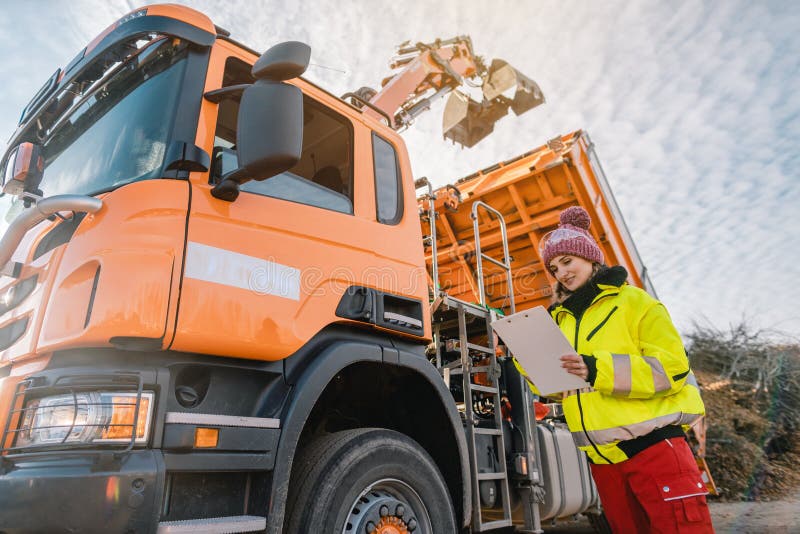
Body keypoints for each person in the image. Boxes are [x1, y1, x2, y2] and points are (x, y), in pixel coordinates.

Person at [540, 206, 714, 533]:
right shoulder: (562, 321)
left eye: (567, 261)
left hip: (655, 451)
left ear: (590, 257)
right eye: (554, 267)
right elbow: (560, 386)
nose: (561, 273)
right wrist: (518, 355)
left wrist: (596, 369)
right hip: (604, 463)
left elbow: (672, 368)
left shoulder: (636, 302)